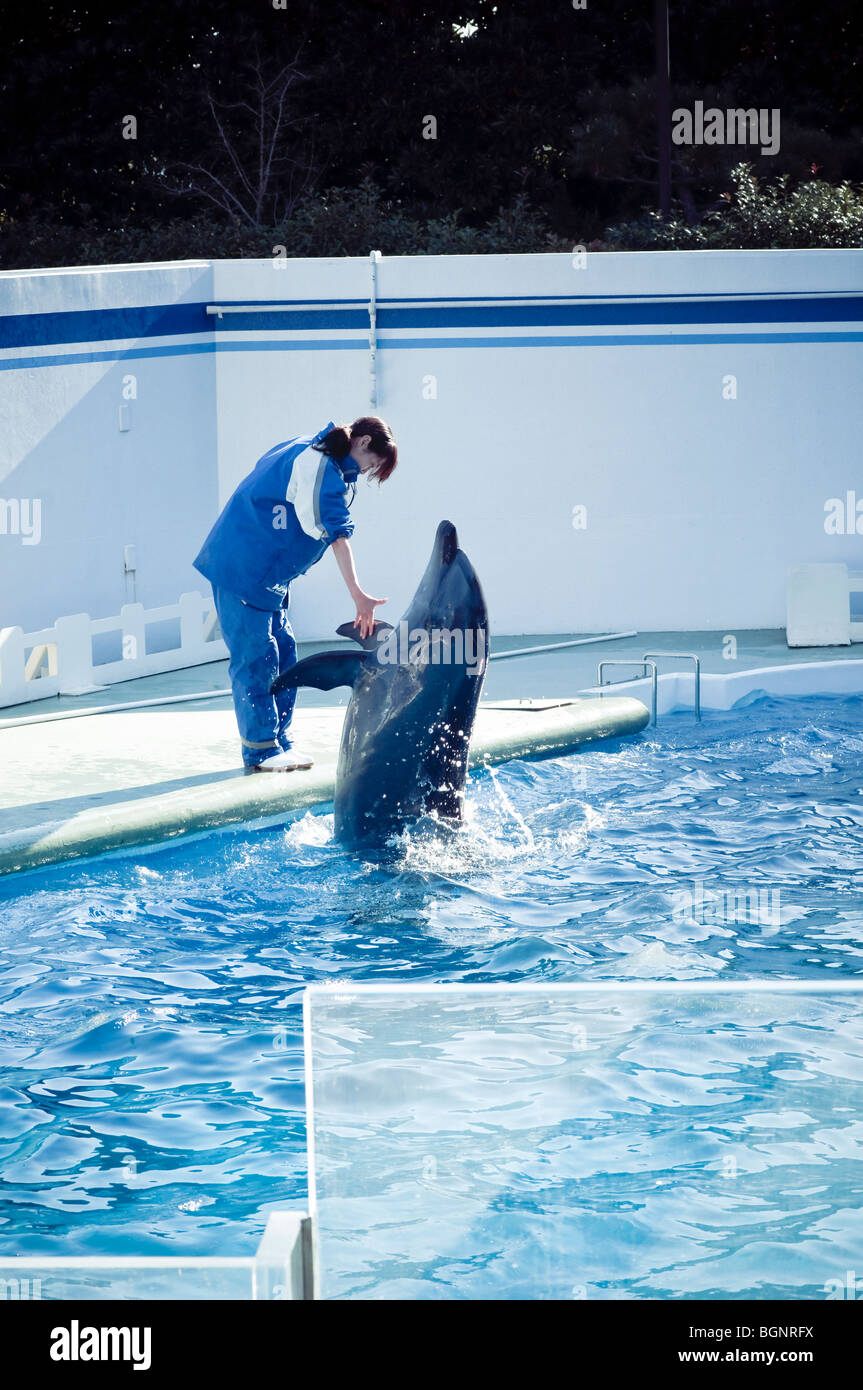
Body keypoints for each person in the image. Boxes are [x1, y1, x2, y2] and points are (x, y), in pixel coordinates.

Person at [193, 417, 398, 771]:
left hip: (269, 575)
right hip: (244, 570)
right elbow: (337, 534)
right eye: (373, 464)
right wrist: (358, 595)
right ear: (362, 442)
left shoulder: (318, 452)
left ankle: (279, 742)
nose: (368, 472)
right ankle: (260, 750)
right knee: (256, 660)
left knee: (285, 655)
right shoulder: (318, 467)